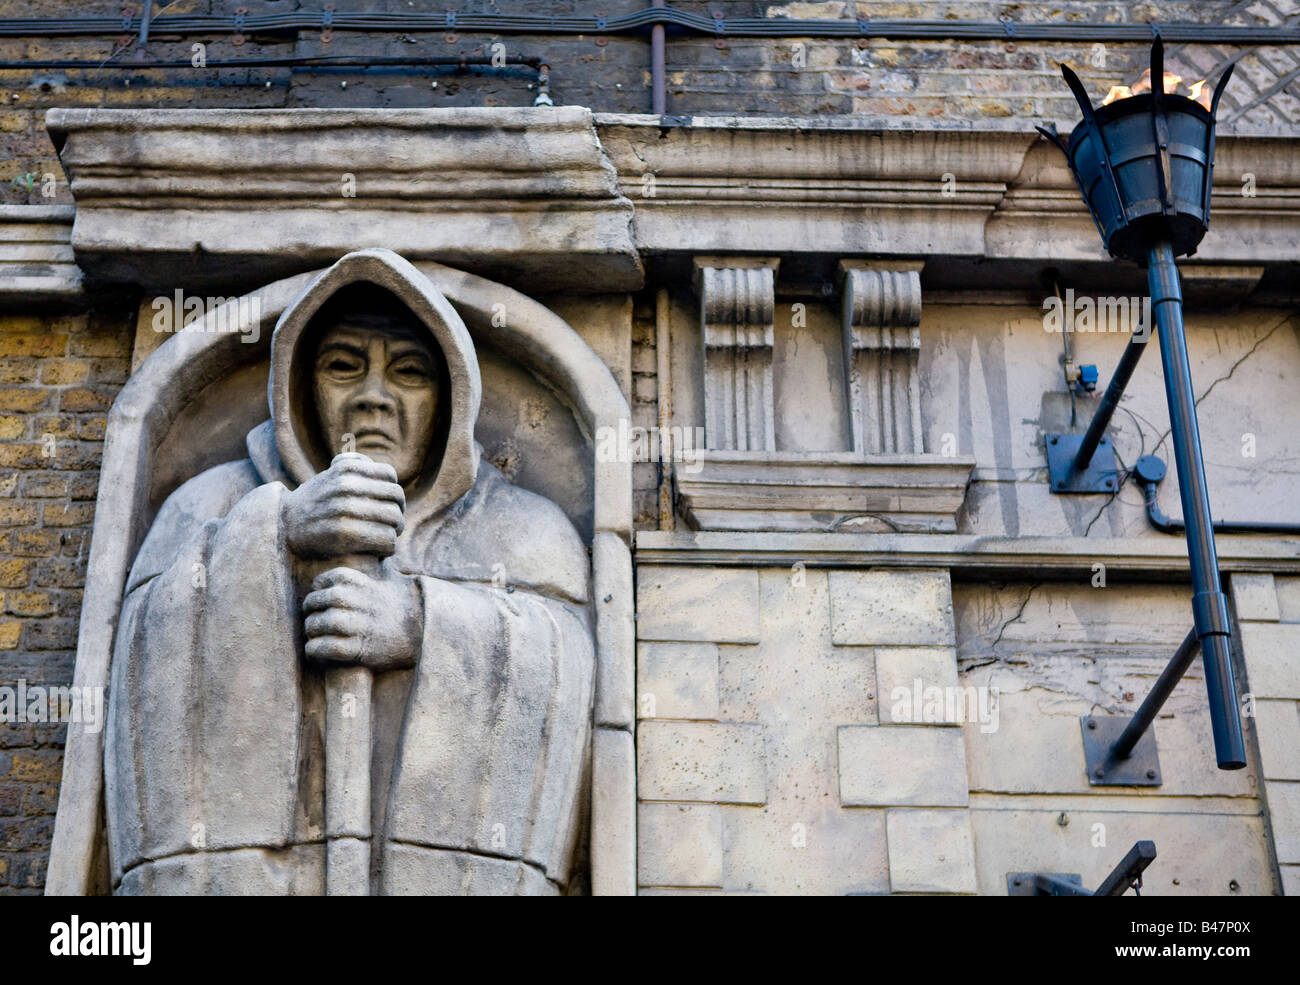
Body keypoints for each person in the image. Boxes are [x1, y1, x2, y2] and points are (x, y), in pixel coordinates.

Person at [105, 250, 594, 895]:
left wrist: (420, 624)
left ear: (451, 396)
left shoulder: (526, 530)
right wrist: (274, 534)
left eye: (411, 372)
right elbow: (141, 669)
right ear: (299, 388)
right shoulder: (205, 505)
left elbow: (567, 672)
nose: (374, 398)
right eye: (342, 367)